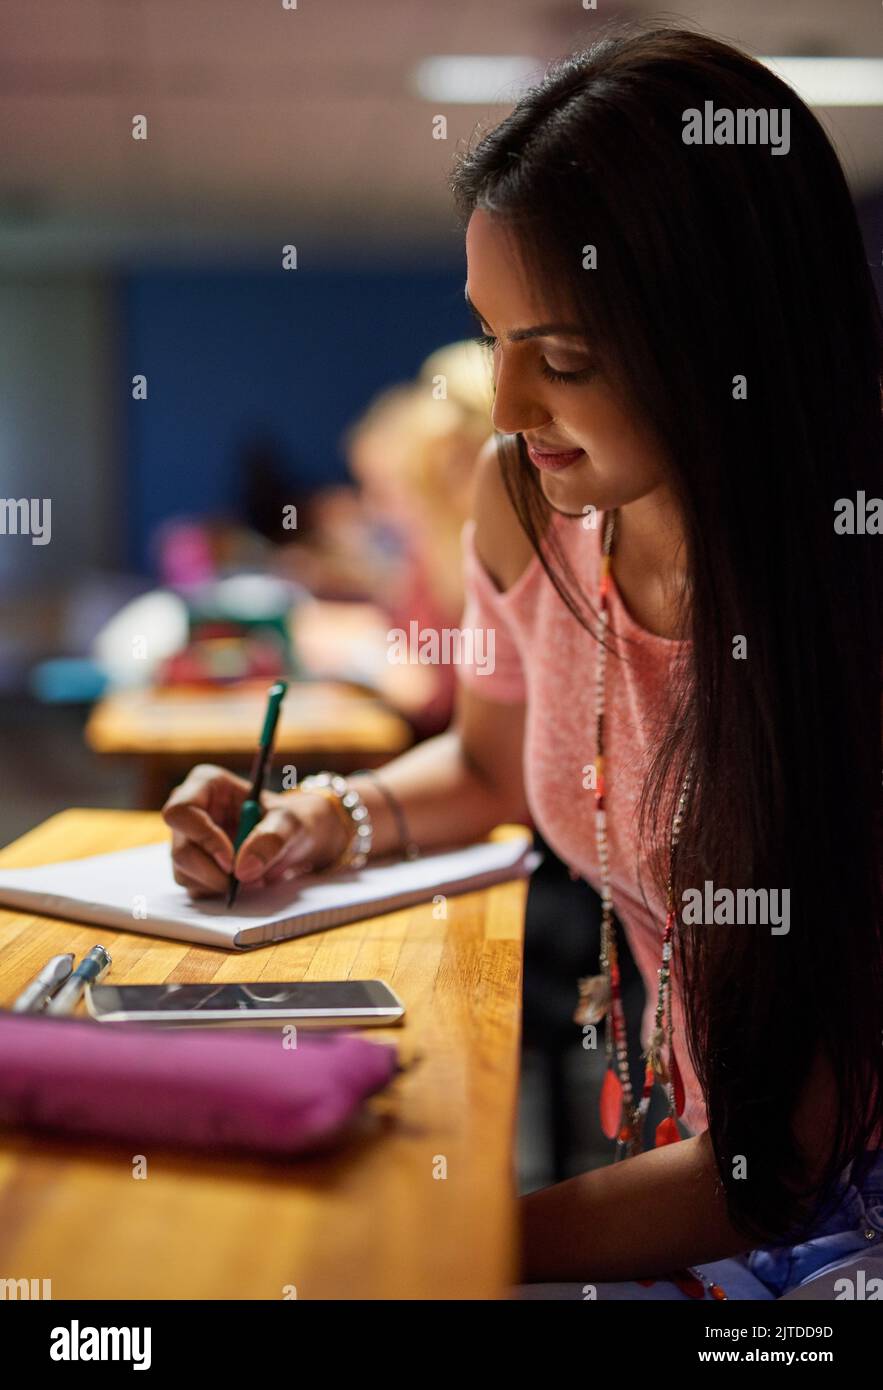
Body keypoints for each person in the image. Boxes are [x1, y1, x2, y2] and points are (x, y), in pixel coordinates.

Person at [161, 25, 883, 1299]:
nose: (502, 410)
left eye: (562, 360)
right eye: (489, 336)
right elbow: (494, 764)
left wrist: (442, 1251)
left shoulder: (846, 606)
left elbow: (786, 1163)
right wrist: (324, 816)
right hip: (690, 1162)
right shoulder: (531, 503)